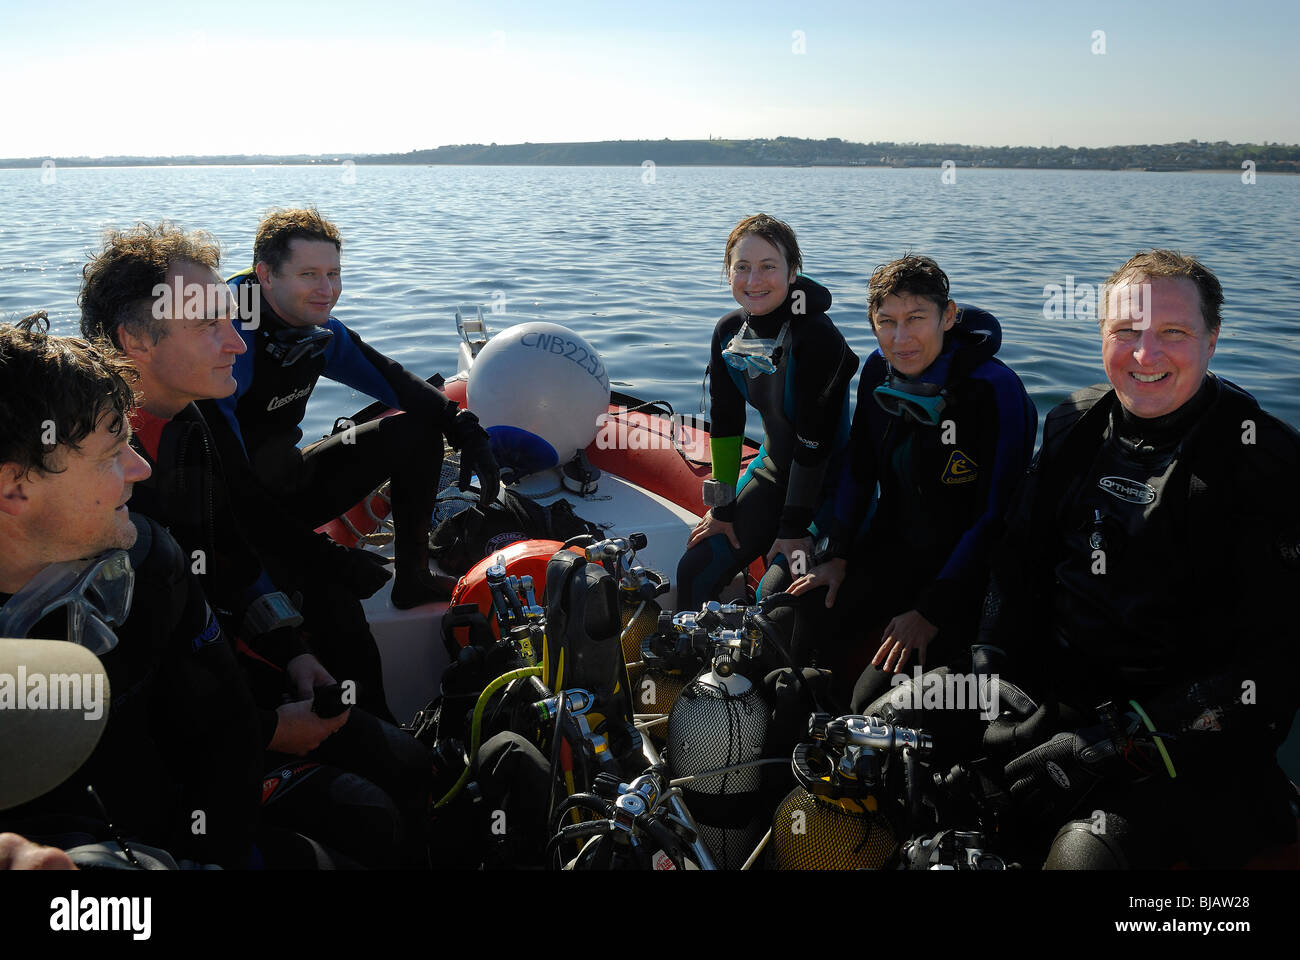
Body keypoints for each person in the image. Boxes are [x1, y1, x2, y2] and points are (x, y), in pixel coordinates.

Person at [979, 249, 1300, 868]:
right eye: (1126, 332)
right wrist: (989, 669)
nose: (1145, 355)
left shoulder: (1263, 465)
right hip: (1062, 696)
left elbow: (1276, 669)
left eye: (1172, 333)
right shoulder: (1075, 422)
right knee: (894, 732)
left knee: (1084, 853)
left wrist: (1117, 745)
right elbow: (1017, 560)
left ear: (1213, 341)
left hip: (1189, 745)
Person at [0, 314, 265, 868]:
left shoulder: (148, 560)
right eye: (111, 454)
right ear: (13, 488)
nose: (140, 469)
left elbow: (227, 731)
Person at [763, 255, 1037, 713]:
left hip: (962, 577)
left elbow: (997, 516)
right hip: (889, 551)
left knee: (871, 700)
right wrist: (837, 555)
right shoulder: (877, 371)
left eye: (916, 319)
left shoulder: (994, 390)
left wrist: (932, 610)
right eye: (886, 322)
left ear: (947, 317)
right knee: (787, 614)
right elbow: (858, 468)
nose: (901, 338)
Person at [206, 207, 500, 611]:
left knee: (418, 430)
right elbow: (225, 476)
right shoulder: (226, 339)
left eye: (333, 274)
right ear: (266, 275)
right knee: (336, 617)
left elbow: (391, 378)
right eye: (309, 274)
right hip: (229, 518)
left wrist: (462, 424)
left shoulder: (316, 328)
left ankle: (413, 578)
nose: (326, 289)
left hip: (287, 484)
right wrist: (324, 556)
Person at [676, 213, 858, 614]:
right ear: (728, 273)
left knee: (775, 595)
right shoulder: (728, 332)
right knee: (696, 569)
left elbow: (815, 441)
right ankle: (689, 672)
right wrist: (722, 508)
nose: (753, 280)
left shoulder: (816, 337)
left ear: (793, 272)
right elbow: (726, 426)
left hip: (828, 490)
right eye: (742, 267)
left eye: (768, 267)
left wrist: (793, 530)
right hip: (772, 472)